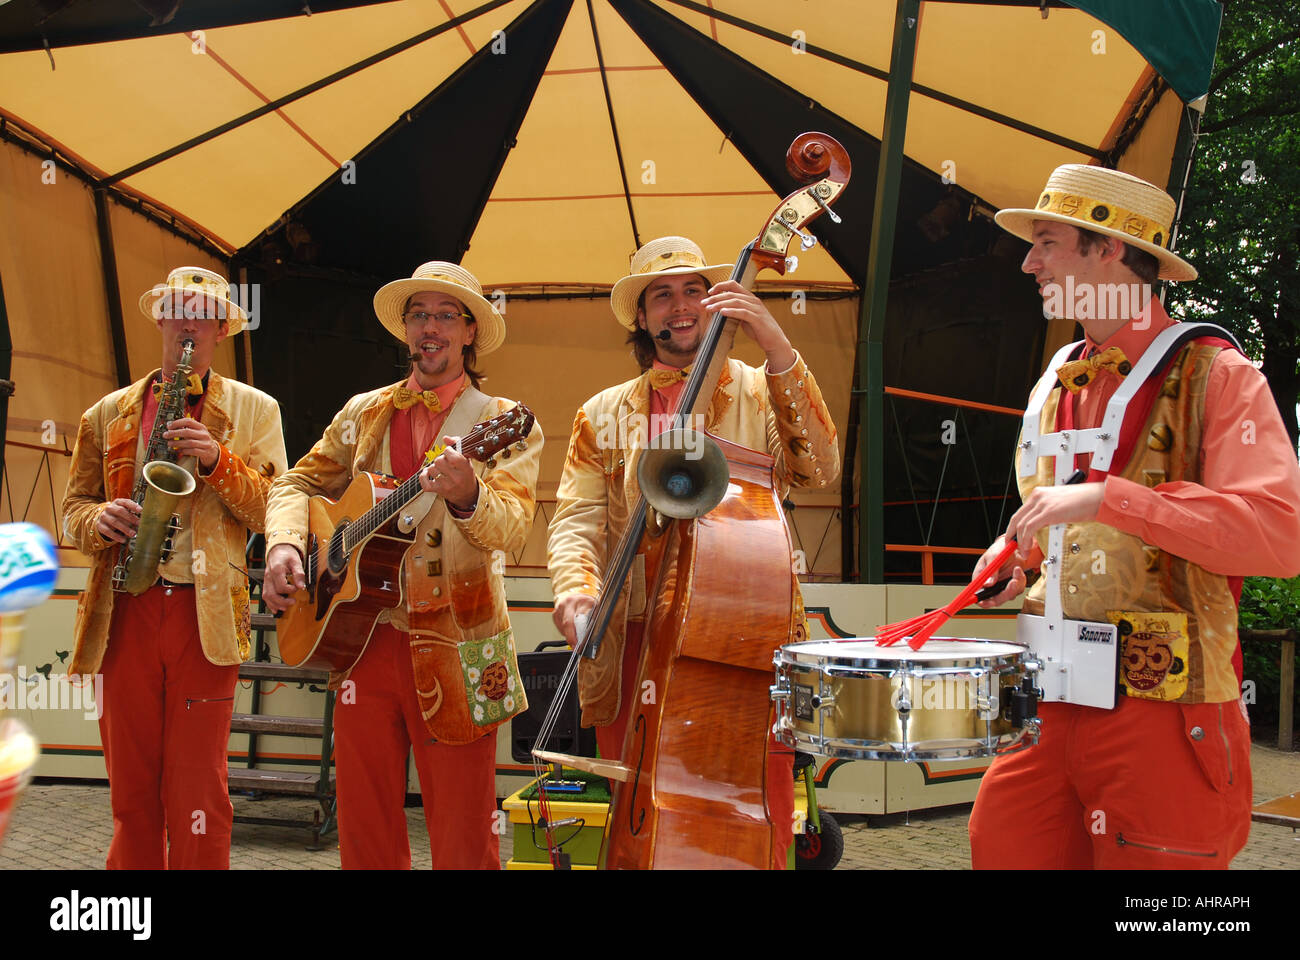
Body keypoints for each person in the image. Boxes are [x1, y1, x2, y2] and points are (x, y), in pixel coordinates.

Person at [967, 165, 1300, 868]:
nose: (1028, 262)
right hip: (1047, 698)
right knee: (1002, 847)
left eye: (1047, 241)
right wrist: (1016, 552)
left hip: (1167, 710)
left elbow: (1279, 534)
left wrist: (1111, 498)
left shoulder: (1221, 374)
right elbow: (1057, 519)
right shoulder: (1057, 375)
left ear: (1109, 250)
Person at [547, 236, 840, 864]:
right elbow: (576, 518)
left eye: (693, 291)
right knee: (639, 812)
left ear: (718, 302)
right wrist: (575, 593)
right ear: (643, 316)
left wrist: (777, 343)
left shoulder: (764, 390)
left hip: (743, 639)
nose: (679, 307)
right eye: (662, 295)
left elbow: (819, 468)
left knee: (748, 811)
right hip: (630, 632)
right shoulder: (599, 414)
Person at [261, 261, 541, 869]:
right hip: (363, 640)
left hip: (464, 645)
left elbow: (514, 530)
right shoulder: (365, 411)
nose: (430, 327)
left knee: (464, 834)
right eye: (419, 315)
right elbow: (295, 482)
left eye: (446, 315)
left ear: (470, 331)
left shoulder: (508, 418)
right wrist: (285, 543)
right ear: (405, 330)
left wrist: (469, 494)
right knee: (365, 830)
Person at [62, 267, 287, 869]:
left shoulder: (256, 410)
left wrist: (217, 459)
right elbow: (71, 512)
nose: (188, 321)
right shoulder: (105, 412)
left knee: (198, 790)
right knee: (132, 791)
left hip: (203, 615)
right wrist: (97, 521)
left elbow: (277, 512)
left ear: (219, 328)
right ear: (161, 317)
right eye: (178, 308)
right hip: (123, 607)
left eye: (203, 312)